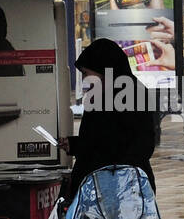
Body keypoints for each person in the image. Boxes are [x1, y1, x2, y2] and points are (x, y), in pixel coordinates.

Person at [59, 38, 157, 198]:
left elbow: (137, 144)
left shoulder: (132, 94)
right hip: (100, 188)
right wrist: (74, 144)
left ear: (104, 70)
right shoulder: (99, 96)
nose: (85, 79)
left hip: (123, 188)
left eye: (86, 73)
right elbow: (97, 139)